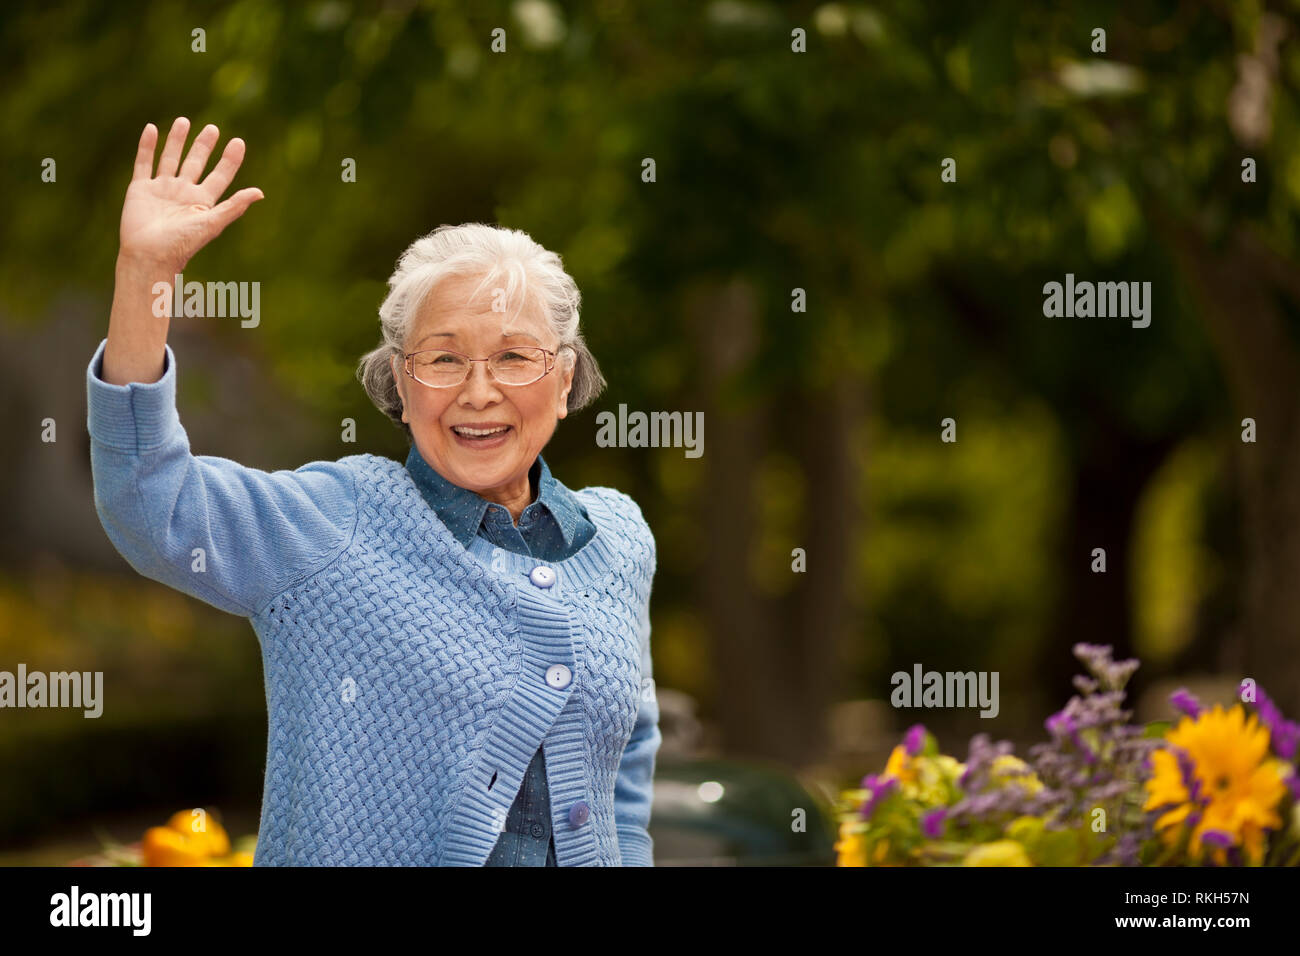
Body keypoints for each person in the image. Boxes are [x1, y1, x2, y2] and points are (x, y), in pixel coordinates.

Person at [86, 117, 660, 866]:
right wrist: (144, 277)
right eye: (443, 359)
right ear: (399, 383)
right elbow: (147, 499)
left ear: (563, 380)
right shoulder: (334, 521)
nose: (478, 392)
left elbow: (627, 760)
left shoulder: (620, 539)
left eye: (514, 357)